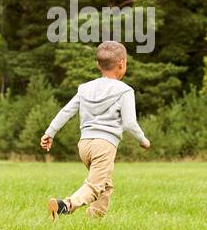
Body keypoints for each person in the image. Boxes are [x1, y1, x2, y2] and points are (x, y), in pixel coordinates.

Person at [41, 40, 151, 220]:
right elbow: (130, 123)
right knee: (94, 185)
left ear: (97, 64)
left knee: (105, 186)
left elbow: (67, 111)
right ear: (122, 64)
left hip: (84, 145)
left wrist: (50, 132)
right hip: (104, 145)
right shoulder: (125, 90)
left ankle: (94, 222)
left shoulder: (85, 88)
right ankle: (65, 205)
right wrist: (143, 140)